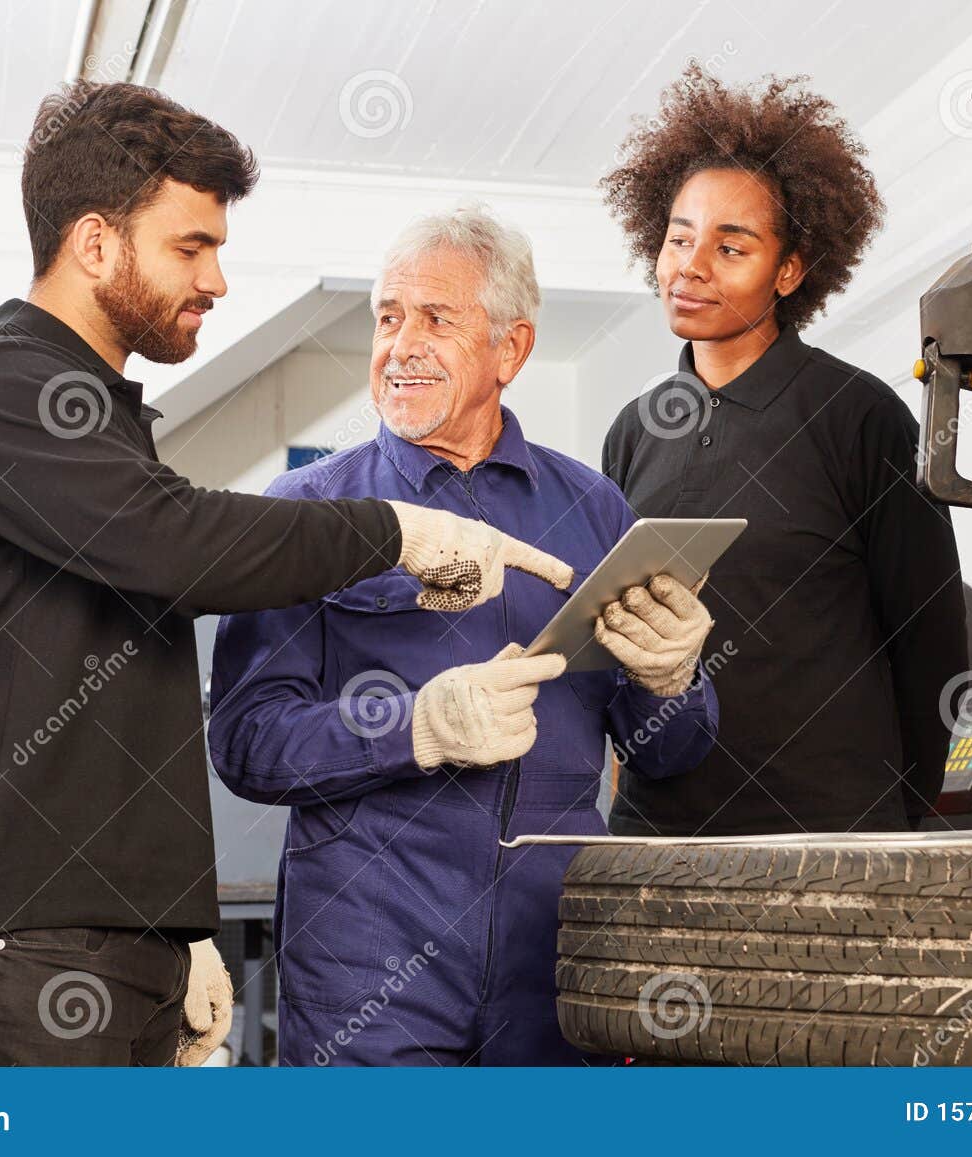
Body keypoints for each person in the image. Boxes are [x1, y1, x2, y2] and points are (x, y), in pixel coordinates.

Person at [0, 84, 571, 1067]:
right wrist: (398, 532)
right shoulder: (3, 388)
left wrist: (172, 928)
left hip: (89, 944)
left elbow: (117, 717)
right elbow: (182, 544)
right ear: (95, 245)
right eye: (190, 246)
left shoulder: (97, 426)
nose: (217, 280)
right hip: (15, 948)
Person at [208, 206, 719, 1065]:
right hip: (366, 957)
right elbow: (245, 742)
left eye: (435, 319)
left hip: (555, 950)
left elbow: (668, 755)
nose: (399, 344)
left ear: (511, 350)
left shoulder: (593, 508)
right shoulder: (307, 514)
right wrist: (418, 725)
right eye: (386, 317)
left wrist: (673, 683)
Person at [599, 64, 967, 836]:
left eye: (731, 249)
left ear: (790, 269)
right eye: (678, 238)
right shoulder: (632, 434)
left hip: (828, 838)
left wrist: (900, 826)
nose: (691, 266)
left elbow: (930, 641)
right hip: (658, 836)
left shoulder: (859, 416)